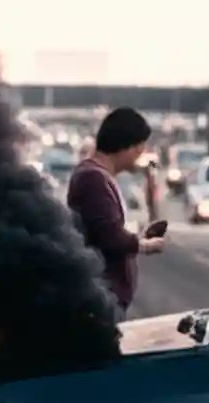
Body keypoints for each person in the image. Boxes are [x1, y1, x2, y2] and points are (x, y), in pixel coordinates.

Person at [67, 107, 165, 315]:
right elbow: (109, 236)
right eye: (140, 149)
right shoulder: (93, 178)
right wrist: (145, 245)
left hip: (106, 297)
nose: (140, 156)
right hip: (102, 298)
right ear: (127, 147)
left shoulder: (96, 175)